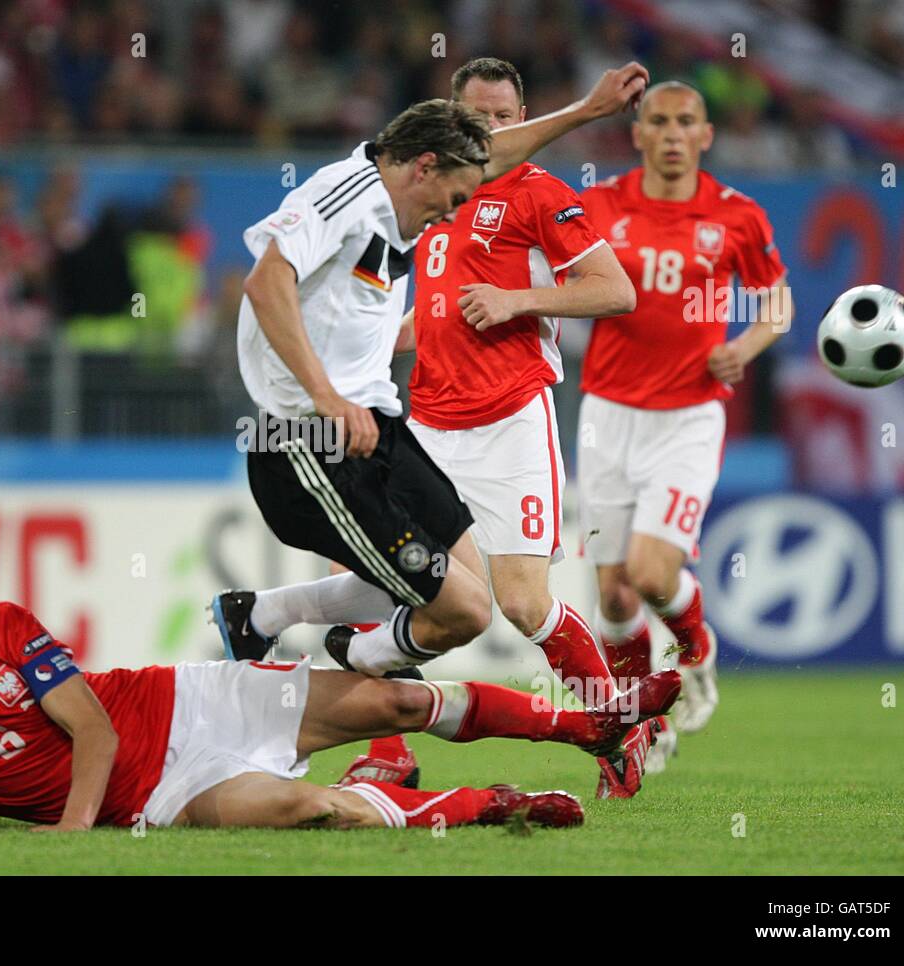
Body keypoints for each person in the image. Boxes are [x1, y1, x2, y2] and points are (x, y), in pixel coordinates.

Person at [0, 557, 681, 833]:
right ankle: (484, 804)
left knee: (397, 702)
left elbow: (91, 731)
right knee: (305, 810)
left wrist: (64, 833)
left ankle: (591, 728)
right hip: (156, 800)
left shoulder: (6, 625)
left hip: (182, 706)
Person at [212, 65, 649, 681]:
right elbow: (266, 281)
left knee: (483, 596)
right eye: (449, 198)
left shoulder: (429, 196)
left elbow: (485, 171)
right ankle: (365, 707)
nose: (449, 215)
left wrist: (584, 112)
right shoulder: (354, 194)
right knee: (444, 600)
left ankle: (269, 620)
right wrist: (328, 392)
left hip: (435, 420)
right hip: (324, 433)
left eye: (502, 121)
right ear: (428, 162)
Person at [401, 57, 644, 799]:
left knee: (524, 603)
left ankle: (616, 738)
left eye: (506, 116)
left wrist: (518, 300)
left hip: (510, 423)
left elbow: (616, 291)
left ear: (523, 116)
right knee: (391, 590)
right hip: (427, 427)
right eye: (479, 117)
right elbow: (433, 311)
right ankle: (385, 753)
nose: (494, 130)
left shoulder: (541, 194)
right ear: (453, 120)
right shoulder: (432, 200)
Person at [575, 82, 793, 759]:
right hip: (607, 412)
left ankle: (696, 645)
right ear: (637, 134)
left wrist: (742, 348)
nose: (672, 133)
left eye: (686, 123)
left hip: (688, 415)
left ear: (706, 136)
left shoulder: (737, 217)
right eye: (659, 121)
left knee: (649, 574)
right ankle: (646, 720)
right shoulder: (596, 206)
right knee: (611, 596)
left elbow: (775, 305)